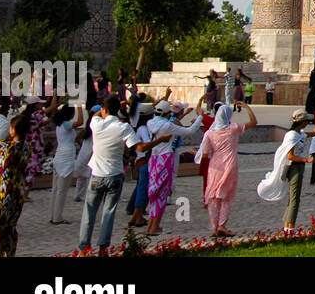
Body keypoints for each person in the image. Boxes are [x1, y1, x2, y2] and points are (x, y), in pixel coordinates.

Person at [78, 95, 162, 254]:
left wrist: (103, 109)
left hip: (97, 174)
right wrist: (160, 140)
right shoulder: (123, 127)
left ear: (104, 110)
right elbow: (139, 149)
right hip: (115, 174)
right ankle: (103, 247)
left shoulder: (96, 124)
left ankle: (84, 248)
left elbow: (95, 116)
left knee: (89, 213)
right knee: (108, 213)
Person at [194, 103, 257, 237]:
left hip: (215, 166)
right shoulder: (233, 129)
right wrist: (247, 107)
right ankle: (222, 225)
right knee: (226, 197)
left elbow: (205, 154)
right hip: (230, 164)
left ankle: (214, 226)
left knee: (213, 197)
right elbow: (253, 122)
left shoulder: (210, 133)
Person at [145, 98, 203, 236]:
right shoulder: (166, 126)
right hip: (165, 158)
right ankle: (155, 227)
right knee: (162, 193)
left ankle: (150, 226)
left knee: (154, 191)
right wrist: (200, 116)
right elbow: (190, 131)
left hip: (153, 158)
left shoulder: (150, 123)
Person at [258, 108, 315, 233]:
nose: (307, 123)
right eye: (306, 121)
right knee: (294, 198)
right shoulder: (292, 135)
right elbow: (290, 156)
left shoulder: (299, 134)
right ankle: (289, 228)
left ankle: (287, 225)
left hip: (298, 166)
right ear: (302, 122)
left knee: (294, 197)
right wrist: (306, 160)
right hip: (294, 167)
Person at [0, 103, 32, 256]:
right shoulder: (26, 148)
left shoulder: (7, 148)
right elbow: (10, 168)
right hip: (17, 191)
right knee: (10, 228)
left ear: (12, 131)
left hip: (3, 192)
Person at [47, 103, 84, 224]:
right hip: (66, 157)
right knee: (61, 190)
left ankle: (53, 215)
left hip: (59, 156)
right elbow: (79, 122)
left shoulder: (60, 124)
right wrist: (79, 106)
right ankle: (57, 217)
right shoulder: (66, 124)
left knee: (57, 189)